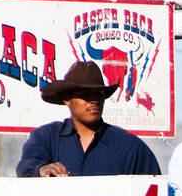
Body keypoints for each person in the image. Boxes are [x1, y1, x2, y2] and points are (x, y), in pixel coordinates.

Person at [16, 61, 160, 179]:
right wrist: (40, 169)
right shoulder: (46, 137)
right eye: (85, 94)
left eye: (99, 94)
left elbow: (154, 191)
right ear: (67, 98)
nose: (94, 100)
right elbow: (26, 167)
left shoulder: (130, 146)